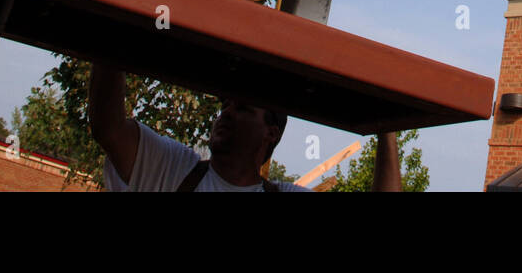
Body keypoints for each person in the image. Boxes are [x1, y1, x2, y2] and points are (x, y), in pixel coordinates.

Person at [88, 62, 402, 192]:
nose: (226, 113)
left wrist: (388, 127)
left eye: (242, 108)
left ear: (271, 133)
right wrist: (115, 38)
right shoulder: (173, 169)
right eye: (225, 106)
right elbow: (109, 127)